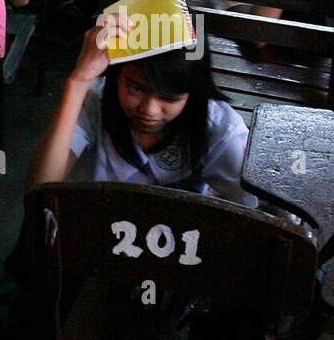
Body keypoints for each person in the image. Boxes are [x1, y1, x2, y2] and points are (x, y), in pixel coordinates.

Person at [28, 16, 256, 208]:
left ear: (193, 91)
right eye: (135, 87)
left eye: (169, 96)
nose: (149, 110)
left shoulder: (220, 128)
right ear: (116, 74)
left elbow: (253, 208)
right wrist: (79, 80)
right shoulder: (93, 99)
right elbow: (39, 192)